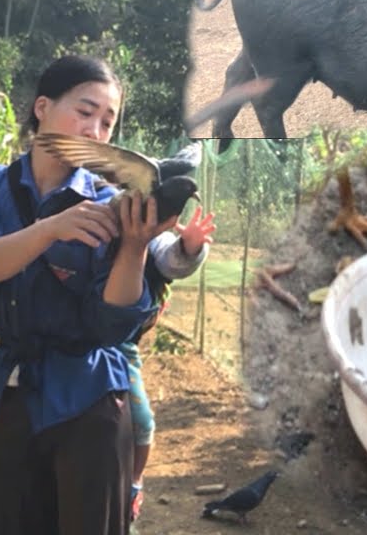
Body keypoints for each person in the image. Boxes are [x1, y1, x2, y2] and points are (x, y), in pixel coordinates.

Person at [0, 55, 178, 535]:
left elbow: (111, 322)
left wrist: (134, 246)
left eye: (108, 122)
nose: (96, 130)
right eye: (85, 111)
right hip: (9, 399)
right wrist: (50, 230)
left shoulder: (108, 204)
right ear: (43, 108)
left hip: (91, 402)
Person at [127, 206, 216, 523]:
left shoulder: (155, 240)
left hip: (119, 346)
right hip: (70, 340)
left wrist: (190, 246)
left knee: (142, 420)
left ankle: (134, 483)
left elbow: (171, 258)